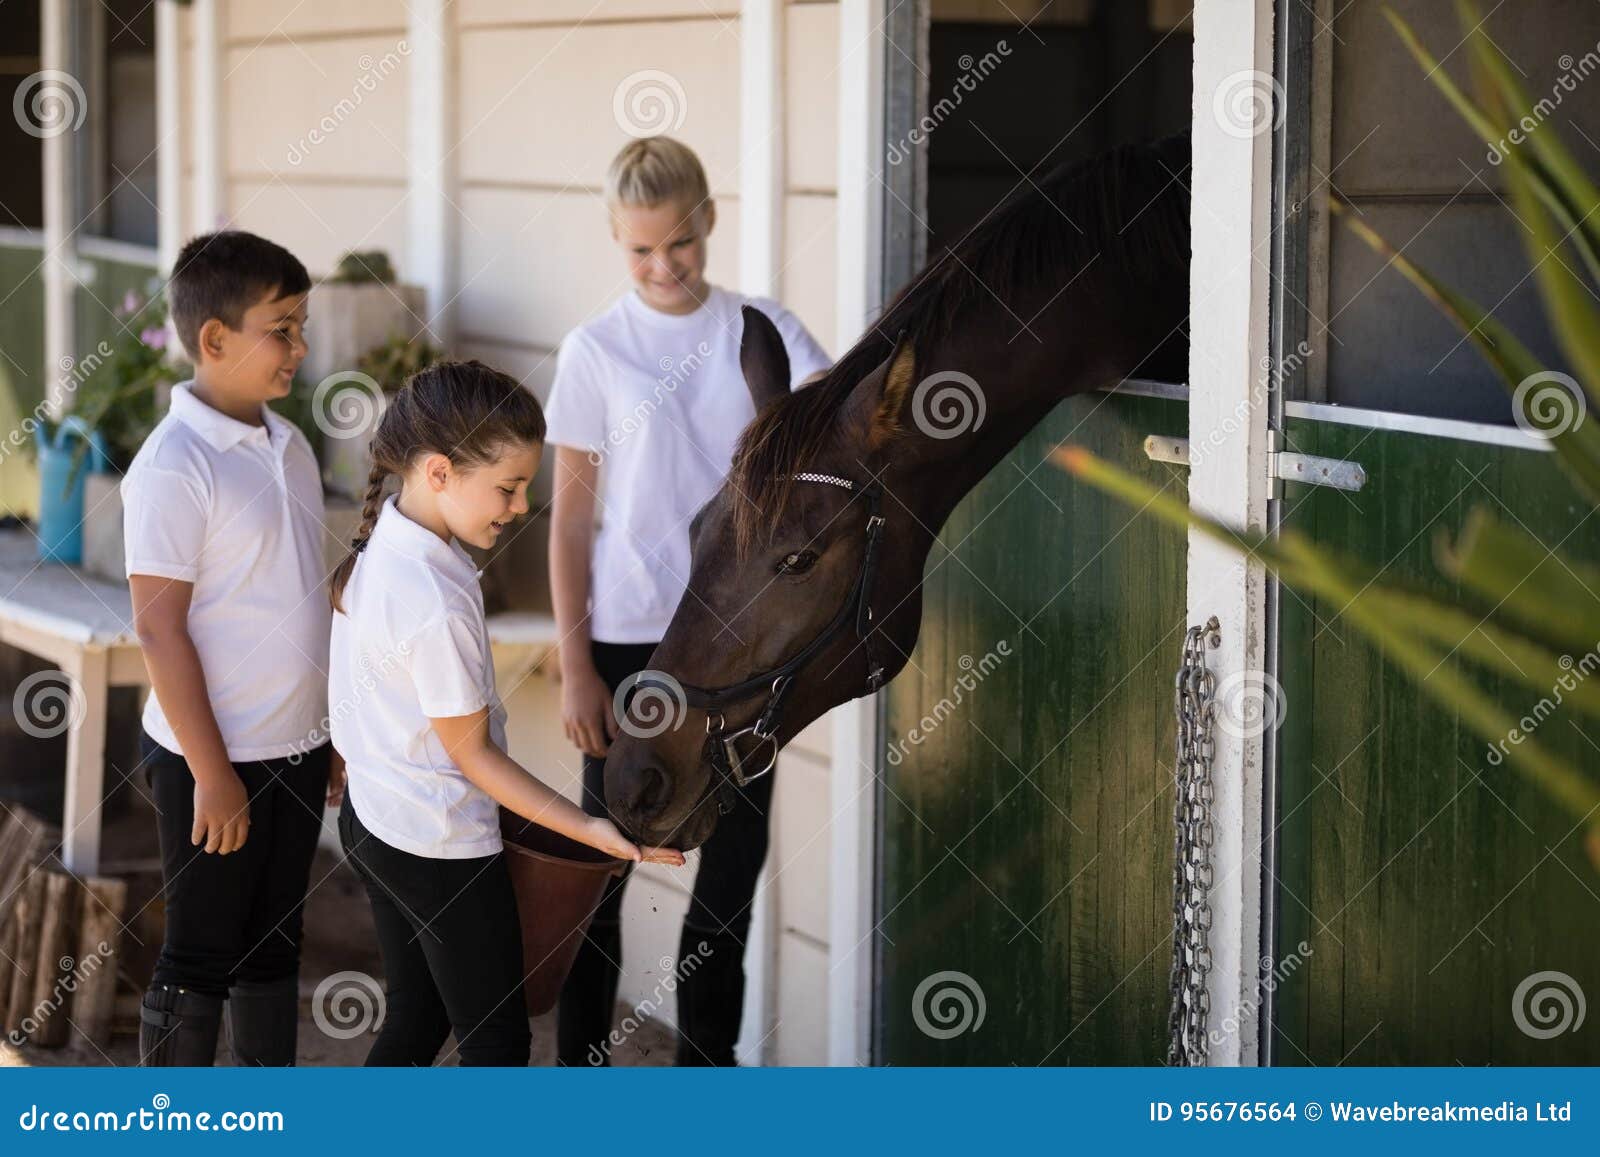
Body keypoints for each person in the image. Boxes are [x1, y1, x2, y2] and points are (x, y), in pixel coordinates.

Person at [545, 136, 831, 1066]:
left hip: (745, 648)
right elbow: (569, 522)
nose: (663, 266)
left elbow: (836, 439)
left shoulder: (766, 330)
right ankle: (581, 1067)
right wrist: (579, 663)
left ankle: (708, 1073)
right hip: (635, 645)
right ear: (613, 242)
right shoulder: (594, 350)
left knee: (732, 872)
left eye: (679, 243)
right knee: (606, 860)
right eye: (640, 249)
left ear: (708, 220)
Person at [328, 361, 683, 1067]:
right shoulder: (432, 591)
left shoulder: (387, 546)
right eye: (509, 487)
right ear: (438, 472)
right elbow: (473, 756)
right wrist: (588, 827)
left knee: (417, 1017)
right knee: (496, 1039)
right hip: (438, 848)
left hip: (374, 822)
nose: (520, 506)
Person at [125, 230, 340, 1066]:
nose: (299, 345)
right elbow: (157, 627)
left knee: (273, 950)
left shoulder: (288, 445)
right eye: (280, 327)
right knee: (200, 958)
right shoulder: (175, 465)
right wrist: (214, 774)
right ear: (214, 340)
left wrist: (325, 732)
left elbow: (290, 593)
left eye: (301, 324)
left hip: (292, 747)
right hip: (208, 759)